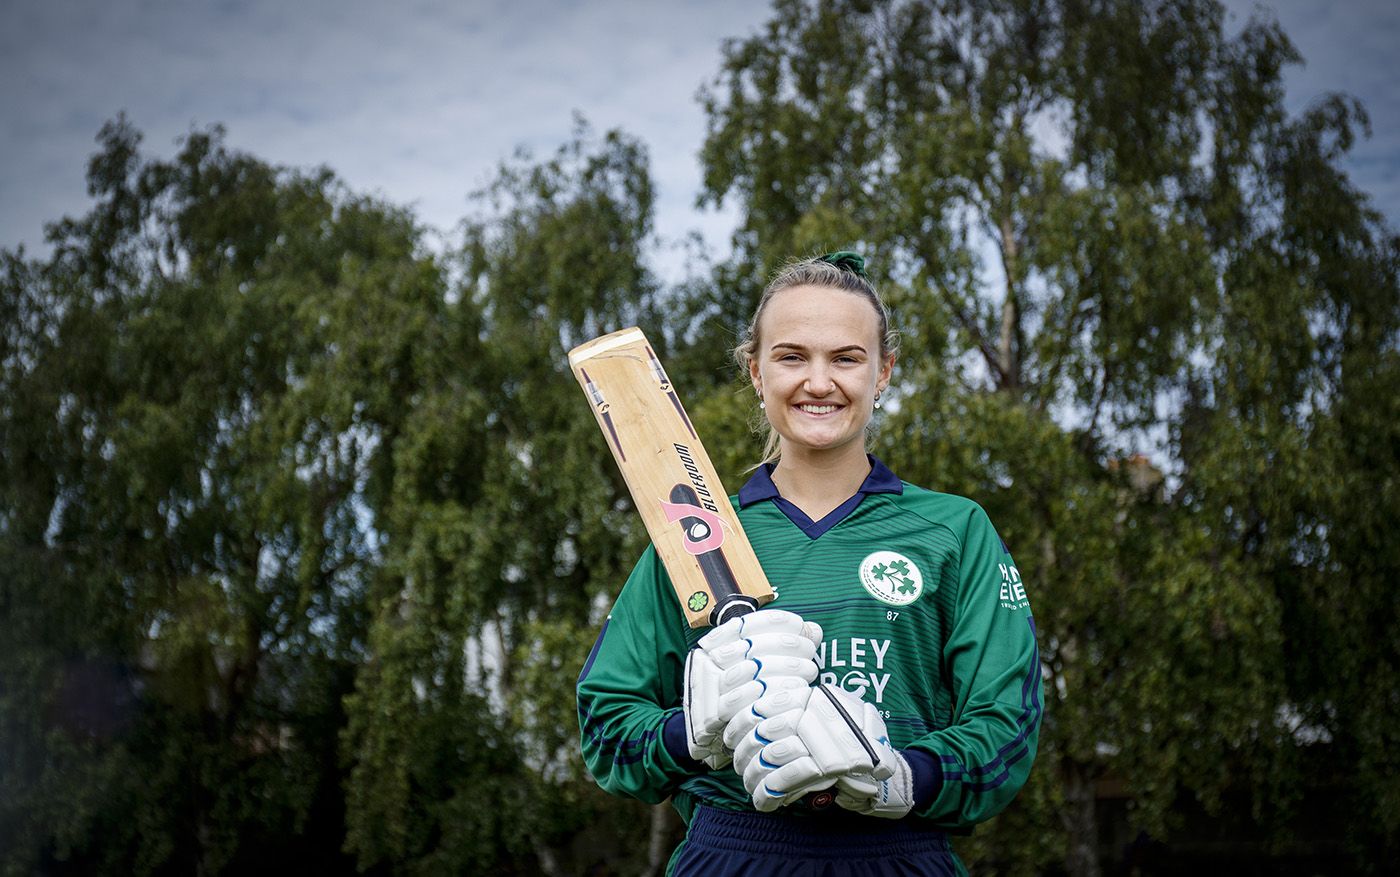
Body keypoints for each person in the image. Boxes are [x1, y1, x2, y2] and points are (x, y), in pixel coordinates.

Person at [577, 252, 1042, 876]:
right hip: (734, 855)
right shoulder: (695, 538)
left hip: (898, 856)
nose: (819, 383)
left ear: (883, 372)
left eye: (846, 358)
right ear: (756, 372)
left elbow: (1007, 725)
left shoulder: (954, 531)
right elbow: (606, 727)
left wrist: (905, 777)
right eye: (792, 357)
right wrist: (693, 731)